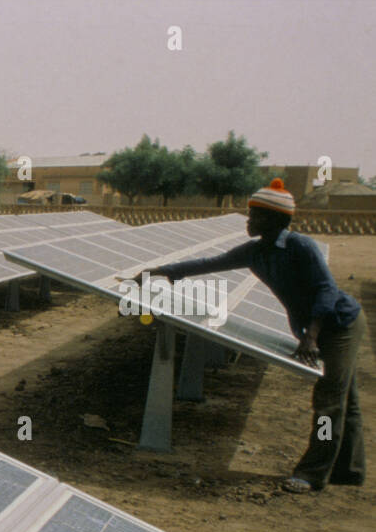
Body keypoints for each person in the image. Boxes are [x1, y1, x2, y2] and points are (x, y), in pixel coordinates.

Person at [122, 179, 364, 492]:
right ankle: (350, 471)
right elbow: (211, 263)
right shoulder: (255, 251)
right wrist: (160, 271)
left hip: (339, 325)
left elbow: (326, 289)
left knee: (329, 399)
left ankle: (312, 474)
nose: (248, 220)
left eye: (255, 215)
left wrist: (310, 337)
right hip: (316, 328)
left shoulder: (299, 246)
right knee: (346, 397)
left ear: (276, 220)